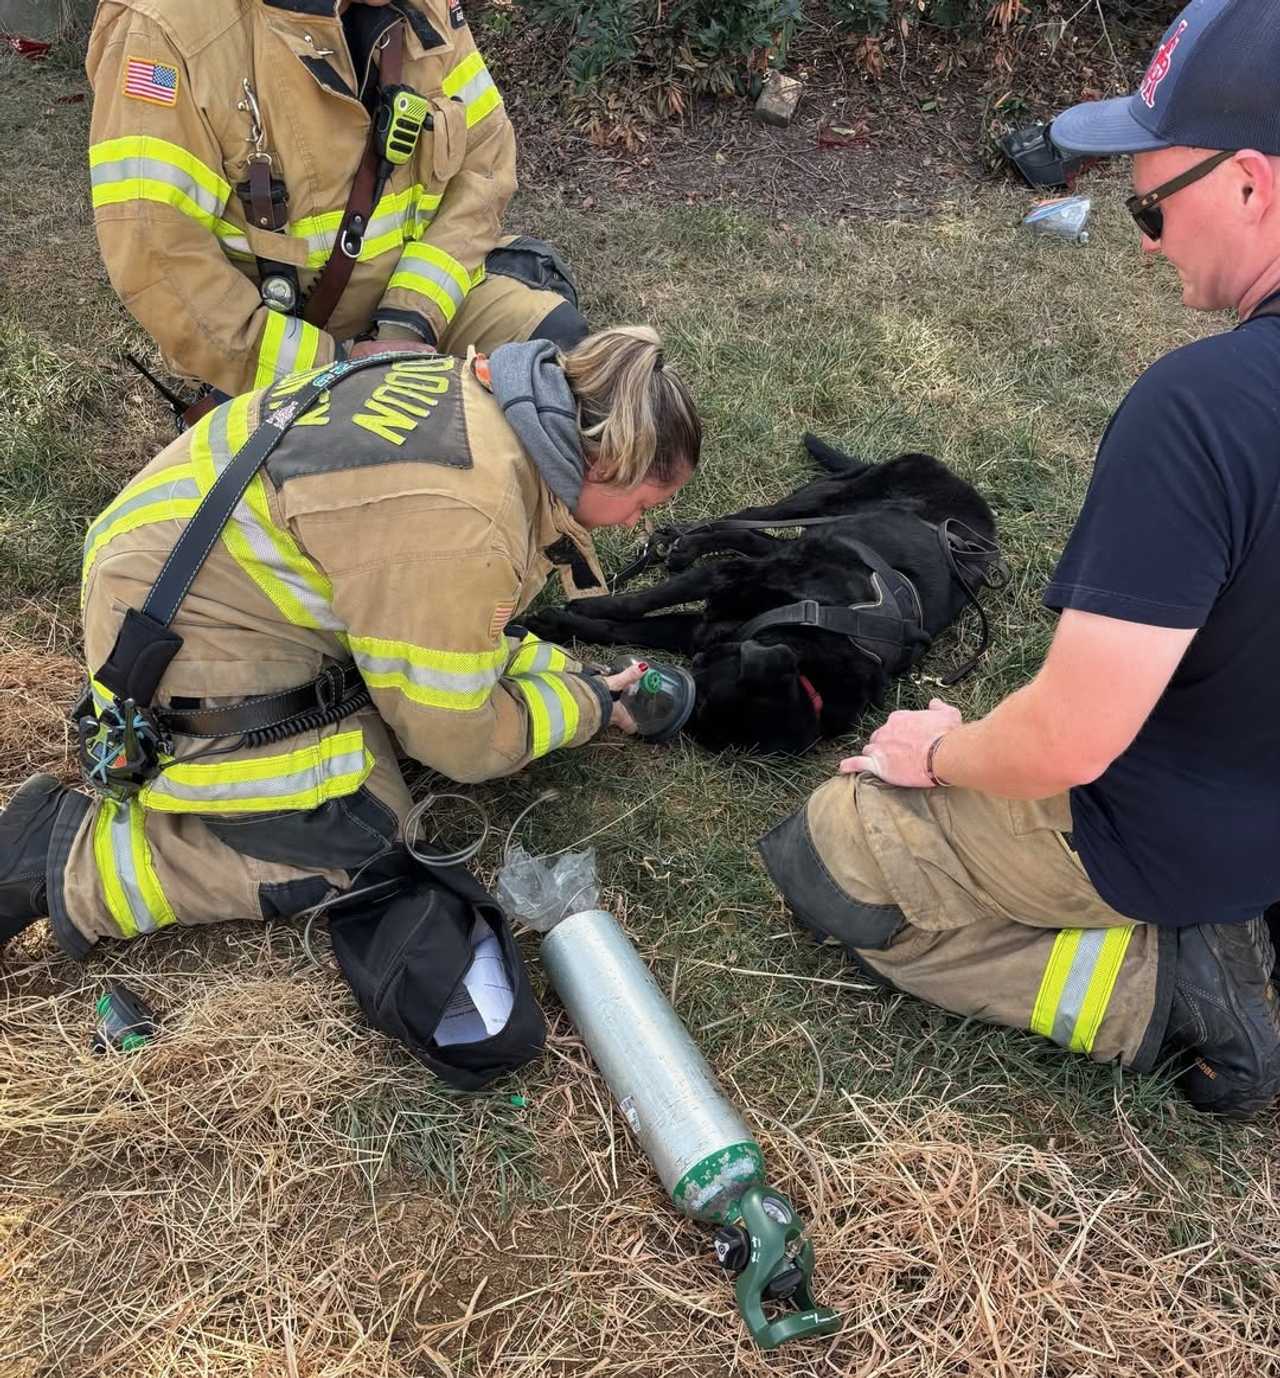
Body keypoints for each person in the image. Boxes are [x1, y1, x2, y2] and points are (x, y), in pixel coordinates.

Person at [760, 0, 1280, 1119]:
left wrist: (936, 752)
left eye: (1149, 204)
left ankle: (1157, 992)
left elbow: (1069, 740)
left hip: (1163, 827)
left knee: (833, 852)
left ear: (1250, 186)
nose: (1147, 243)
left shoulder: (1201, 412)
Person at [0, 327, 699, 958]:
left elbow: (441, 631)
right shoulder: (466, 525)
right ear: (605, 462)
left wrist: (569, 671)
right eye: (644, 504)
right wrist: (588, 709)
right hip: (184, 639)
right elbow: (458, 740)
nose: (638, 524)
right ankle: (69, 862)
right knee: (358, 838)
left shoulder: (474, 396)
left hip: (169, 572)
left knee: (389, 712)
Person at [85, 0, 587, 408]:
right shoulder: (163, 29)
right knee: (387, 484)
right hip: (287, 356)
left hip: (424, 310)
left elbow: (484, 165)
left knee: (557, 365)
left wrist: (407, 322)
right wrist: (342, 368)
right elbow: (159, 262)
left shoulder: (430, 10)